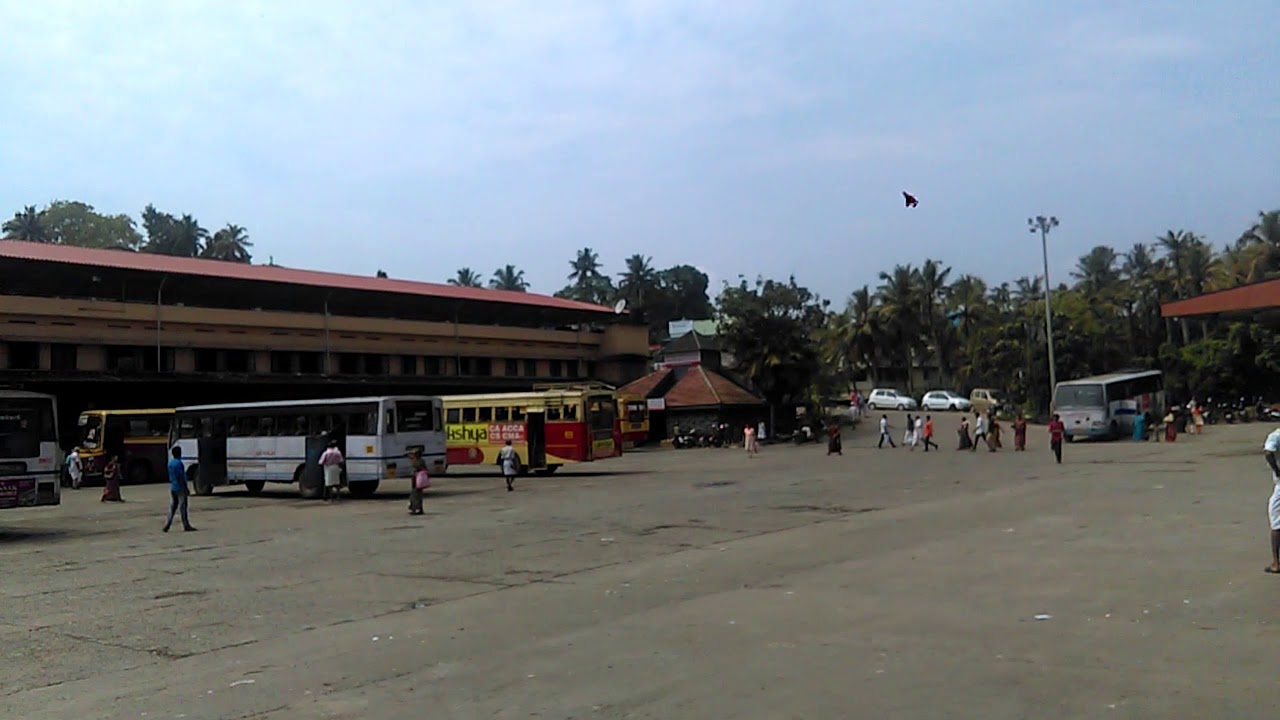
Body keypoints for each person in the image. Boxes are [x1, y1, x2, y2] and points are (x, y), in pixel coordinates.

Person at [163, 446, 196, 532]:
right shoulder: (179, 463)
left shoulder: (170, 463)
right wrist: (186, 487)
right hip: (180, 487)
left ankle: (167, 524)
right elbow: (181, 476)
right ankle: (186, 525)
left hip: (173, 487)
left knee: (173, 507)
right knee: (183, 507)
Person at [1264, 427, 1280, 574]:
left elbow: (1268, 452)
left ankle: (1276, 563)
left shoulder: (1275, 436)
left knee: (1276, 523)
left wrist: (1276, 469)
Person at [407, 449, 427, 514]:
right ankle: (419, 508)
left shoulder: (417, 462)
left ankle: (415, 509)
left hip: (416, 479)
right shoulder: (422, 461)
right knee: (419, 495)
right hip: (419, 480)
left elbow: (415, 469)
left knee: (415, 495)